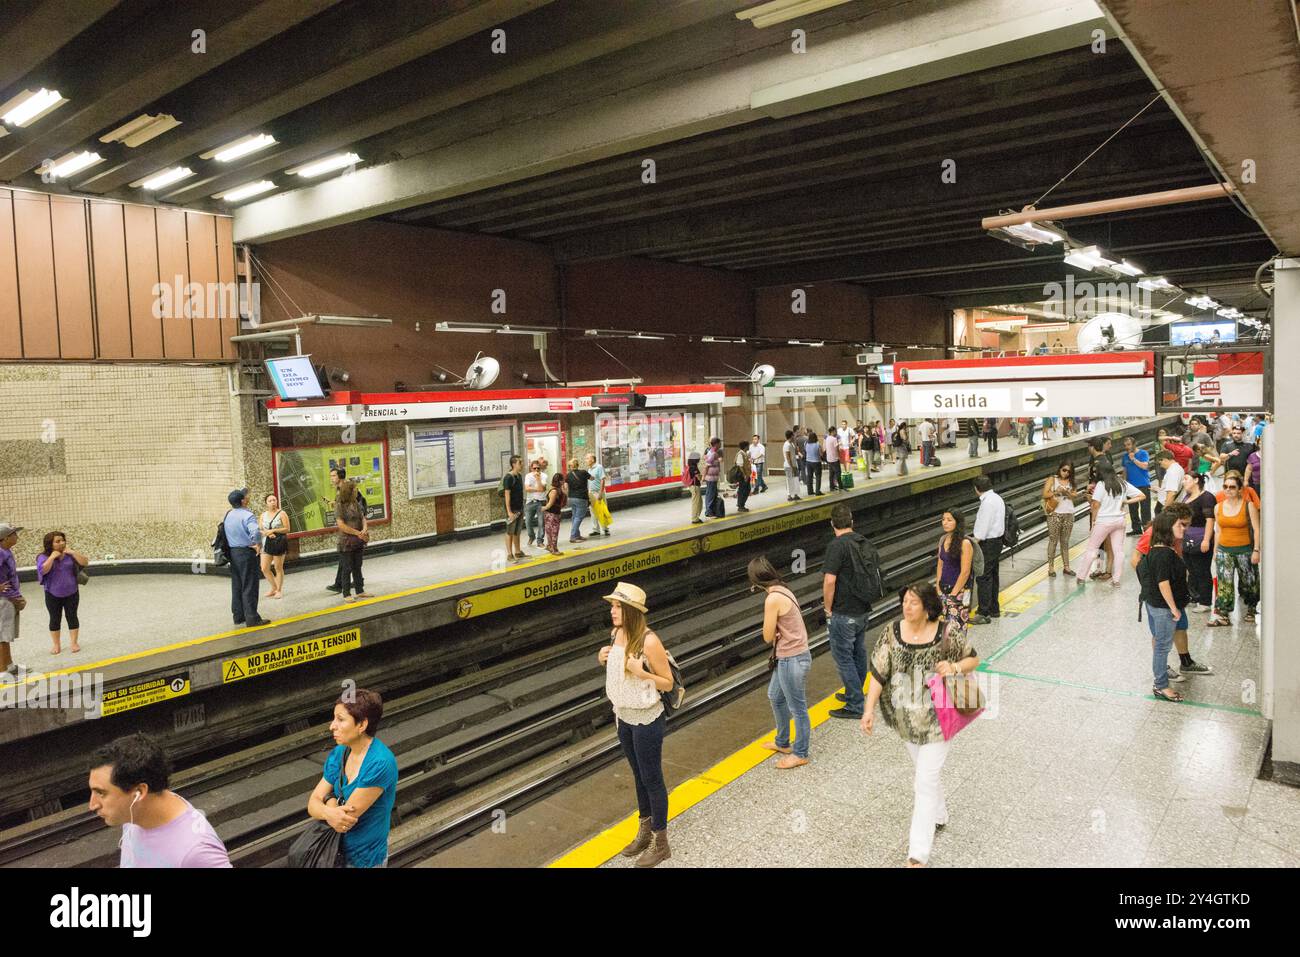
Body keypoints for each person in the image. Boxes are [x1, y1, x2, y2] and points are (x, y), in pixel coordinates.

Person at [862, 583, 980, 867]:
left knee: (924, 781)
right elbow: (879, 672)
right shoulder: (892, 632)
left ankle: (918, 854)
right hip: (904, 718)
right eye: (904, 601)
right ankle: (939, 815)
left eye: (913, 602)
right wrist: (868, 710)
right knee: (925, 774)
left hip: (938, 717)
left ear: (927, 608)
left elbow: (973, 658)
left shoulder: (946, 633)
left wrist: (953, 668)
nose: (907, 606)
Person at [597, 582, 673, 867]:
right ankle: (644, 830)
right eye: (613, 606)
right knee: (638, 776)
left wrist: (642, 673)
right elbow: (617, 670)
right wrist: (602, 657)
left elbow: (667, 682)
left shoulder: (649, 641)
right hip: (623, 716)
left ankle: (661, 842)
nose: (612, 611)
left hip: (646, 719)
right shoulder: (616, 634)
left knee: (652, 778)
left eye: (617, 607)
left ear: (630, 611)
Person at [88, 733, 231, 867]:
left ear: (139, 792)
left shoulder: (197, 852)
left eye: (101, 793)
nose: (92, 805)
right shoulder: (133, 814)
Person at [308, 689, 399, 867]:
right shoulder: (340, 753)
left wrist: (327, 799)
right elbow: (312, 803)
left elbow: (343, 821)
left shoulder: (380, 763)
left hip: (364, 860)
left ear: (362, 725)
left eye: (340, 720)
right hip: (333, 854)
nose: (332, 726)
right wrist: (330, 810)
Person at [1130, 503, 1212, 680]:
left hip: (1175, 594)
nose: (1186, 528)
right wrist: (1150, 584)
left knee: (1181, 626)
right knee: (1160, 634)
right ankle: (1163, 669)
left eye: (1188, 524)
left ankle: (1186, 662)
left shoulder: (1176, 534)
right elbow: (1135, 560)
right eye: (1183, 524)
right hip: (1159, 596)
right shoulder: (1153, 534)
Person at [751, 556, 811, 769]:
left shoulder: (772, 599)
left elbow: (767, 636)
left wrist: (772, 630)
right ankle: (782, 741)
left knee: (798, 707)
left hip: (791, 658)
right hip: (792, 656)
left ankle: (801, 753)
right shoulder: (783, 589)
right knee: (775, 696)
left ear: (755, 582)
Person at [823, 504, 874, 719]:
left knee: (844, 657)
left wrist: (828, 609)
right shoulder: (862, 541)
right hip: (862, 609)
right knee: (858, 652)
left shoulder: (836, 546)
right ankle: (856, 691)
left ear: (832, 523)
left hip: (844, 612)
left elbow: (829, 580)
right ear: (852, 521)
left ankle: (855, 704)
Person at [1138, 512, 1191, 702]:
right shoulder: (1164, 554)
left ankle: (1161, 680)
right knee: (1162, 646)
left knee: (1160, 642)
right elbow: (1163, 583)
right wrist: (1174, 608)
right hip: (1163, 608)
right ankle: (1160, 685)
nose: (1183, 528)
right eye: (1179, 525)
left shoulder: (1155, 550)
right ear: (1168, 528)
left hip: (1153, 603)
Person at [1077, 468, 1145, 587]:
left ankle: (1081, 577)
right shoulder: (1122, 483)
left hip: (1104, 521)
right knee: (1118, 550)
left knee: (1092, 549)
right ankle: (1116, 580)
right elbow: (1142, 495)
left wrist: (1093, 522)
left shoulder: (1101, 484)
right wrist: (1126, 502)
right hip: (1119, 521)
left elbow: (1096, 504)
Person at [1208, 472, 1260, 627]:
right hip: (1224, 550)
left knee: (1249, 582)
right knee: (1224, 583)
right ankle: (1223, 614)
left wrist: (1256, 550)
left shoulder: (1248, 505)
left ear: (1239, 489)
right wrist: (1215, 551)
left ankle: (1252, 607)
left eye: (1232, 487)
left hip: (1245, 550)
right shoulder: (1218, 507)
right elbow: (1218, 531)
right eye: (1225, 486)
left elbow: (1257, 529)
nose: (1228, 489)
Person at [38, 531, 87, 654]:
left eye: (62, 540)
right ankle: (56, 645)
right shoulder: (43, 557)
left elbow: (85, 562)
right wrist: (52, 557)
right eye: (57, 541)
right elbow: (43, 570)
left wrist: (73, 553)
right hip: (52, 593)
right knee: (55, 618)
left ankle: (74, 642)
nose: (61, 543)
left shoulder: (70, 555)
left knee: (72, 616)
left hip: (72, 592)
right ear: (50, 544)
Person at [224, 489, 268, 627]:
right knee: (250, 585)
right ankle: (252, 618)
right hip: (246, 553)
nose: (248, 498)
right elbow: (255, 531)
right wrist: (257, 543)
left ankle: (238, 616)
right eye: (246, 497)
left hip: (233, 553)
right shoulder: (247, 515)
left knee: (237, 584)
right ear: (242, 500)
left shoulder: (228, 515)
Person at [1177, 473, 1218, 611]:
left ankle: (1205, 601)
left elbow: (1210, 520)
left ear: (1196, 480)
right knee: (1191, 569)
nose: (1183, 482)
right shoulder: (1187, 497)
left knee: (1202, 570)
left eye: (1186, 478)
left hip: (1201, 538)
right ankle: (1194, 596)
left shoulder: (1207, 497)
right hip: (1187, 539)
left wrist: (1206, 540)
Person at [968, 475, 1006, 623]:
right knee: (993, 575)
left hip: (988, 544)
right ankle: (994, 609)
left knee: (983, 577)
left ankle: (983, 612)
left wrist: (973, 542)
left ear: (977, 489)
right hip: (997, 542)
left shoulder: (987, 503)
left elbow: (983, 528)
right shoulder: (997, 498)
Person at [324, 467, 367, 594]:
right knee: (348, 562)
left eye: (333, 476)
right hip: (350, 534)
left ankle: (343, 584)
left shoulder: (348, 488)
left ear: (340, 476)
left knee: (350, 563)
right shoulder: (341, 492)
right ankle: (343, 584)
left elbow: (359, 509)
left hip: (353, 532)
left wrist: (361, 529)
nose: (331, 478)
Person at [934, 510, 974, 632]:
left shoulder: (965, 543)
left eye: (949, 520)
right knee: (943, 630)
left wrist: (954, 594)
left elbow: (965, 571)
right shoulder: (943, 540)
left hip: (958, 592)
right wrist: (938, 587)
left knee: (957, 628)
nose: (945, 523)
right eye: (943, 519)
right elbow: (940, 564)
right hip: (943, 589)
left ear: (958, 522)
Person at [1042, 460, 1082, 577]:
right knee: (1053, 540)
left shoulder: (1071, 482)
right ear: (1059, 469)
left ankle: (1066, 567)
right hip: (1055, 514)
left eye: (1068, 472)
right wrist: (1056, 492)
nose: (1066, 473)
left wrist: (1067, 493)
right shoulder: (1052, 479)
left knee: (1065, 541)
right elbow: (1044, 494)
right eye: (1064, 470)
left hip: (1068, 513)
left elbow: (1074, 496)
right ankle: (1051, 567)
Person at [335, 479, 372, 601]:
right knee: (347, 567)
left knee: (357, 565)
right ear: (349, 491)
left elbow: (362, 517)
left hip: (358, 540)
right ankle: (346, 594)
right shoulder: (340, 504)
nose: (356, 490)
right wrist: (357, 533)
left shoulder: (355, 502)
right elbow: (341, 525)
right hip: (346, 542)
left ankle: (359, 590)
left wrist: (364, 529)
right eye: (354, 489)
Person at [0, 523, 28, 681]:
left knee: (7, 634)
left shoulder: (6, 551)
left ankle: (9, 666)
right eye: (13, 534)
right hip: (3, 600)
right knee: (2, 635)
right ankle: (2, 671)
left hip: (9, 598)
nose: (16, 536)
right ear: (4, 539)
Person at [259, 493, 289, 599]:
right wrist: (267, 533)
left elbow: (287, 529)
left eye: (274, 500)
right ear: (266, 503)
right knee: (264, 568)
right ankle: (273, 587)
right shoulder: (263, 515)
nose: (273, 502)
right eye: (270, 501)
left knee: (278, 567)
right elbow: (261, 529)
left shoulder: (282, 513)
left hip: (279, 542)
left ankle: (279, 590)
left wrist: (274, 530)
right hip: (267, 542)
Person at [1120, 436, 1152, 535]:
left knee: (1145, 509)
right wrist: (1124, 484)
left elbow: (1145, 466)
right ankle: (1136, 529)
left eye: (1129, 445)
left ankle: (1147, 530)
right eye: (1125, 445)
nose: (1127, 447)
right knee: (1133, 509)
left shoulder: (1143, 453)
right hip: (1131, 486)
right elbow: (1125, 470)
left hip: (1143, 484)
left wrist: (1133, 459)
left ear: (1134, 444)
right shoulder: (1125, 456)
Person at [500, 455, 528, 560]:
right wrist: (509, 512)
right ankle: (509, 554)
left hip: (519, 507)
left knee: (517, 531)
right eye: (519, 462)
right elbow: (507, 495)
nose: (522, 464)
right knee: (510, 531)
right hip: (512, 509)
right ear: (513, 464)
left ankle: (517, 551)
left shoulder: (519, 476)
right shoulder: (508, 477)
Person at [585, 452, 611, 537]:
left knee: (602, 510)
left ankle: (605, 528)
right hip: (591, 492)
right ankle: (595, 529)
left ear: (592, 459)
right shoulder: (589, 469)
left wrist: (600, 492)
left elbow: (602, 480)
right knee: (593, 511)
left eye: (587, 458)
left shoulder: (599, 467)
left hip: (598, 492)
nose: (586, 460)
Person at [566, 457, 591, 542]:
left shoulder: (568, 475)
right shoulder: (583, 472)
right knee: (578, 517)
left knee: (574, 517)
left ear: (570, 466)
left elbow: (566, 487)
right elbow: (592, 478)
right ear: (578, 464)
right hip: (581, 498)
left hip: (571, 498)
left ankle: (577, 535)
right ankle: (573, 536)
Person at [524, 459, 548, 547]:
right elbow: (527, 488)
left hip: (541, 501)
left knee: (541, 522)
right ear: (531, 468)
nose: (536, 470)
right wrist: (538, 489)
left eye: (538, 468)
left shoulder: (544, 476)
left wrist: (538, 479)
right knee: (527, 522)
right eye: (534, 468)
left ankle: (540, 541)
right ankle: (531, 536)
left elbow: (543, 488)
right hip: (530, 501)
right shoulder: (528, 476)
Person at [1154, 449, 1185, 514]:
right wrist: (1160, 490)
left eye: (1160, 463)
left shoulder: (1172, 472)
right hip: (1173, 504)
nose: (1160, 466)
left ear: (1165, 459)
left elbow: (1171, 493)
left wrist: (1165, 510)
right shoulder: (1178, 468)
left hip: (1166, 505)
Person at [543, 472, 567, 554]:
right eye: (562, 480)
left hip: (554, 514)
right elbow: (550, 504)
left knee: (550, 531)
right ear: (559, 481)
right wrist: (543, 508)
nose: (564, 482)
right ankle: (554, 549)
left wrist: (564, 492)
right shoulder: (554, 491)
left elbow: (563, 504)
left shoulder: (558, 490)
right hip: (552, 514)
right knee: (554, 532)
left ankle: (550, 546)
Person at [703, 438, 722, 519]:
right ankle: (709, 512)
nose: (720, 445)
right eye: (719, 443)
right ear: (716, 444)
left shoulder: (714, 453)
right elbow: (706, 466)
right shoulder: (712, 453)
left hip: (713, 478)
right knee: (710, 495)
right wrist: (703, 477)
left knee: (712, 494)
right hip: (711, 478)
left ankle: (711, 511)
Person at [782, 430, 802, 502]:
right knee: (789, 480)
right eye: (793, 435)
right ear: (791, 436)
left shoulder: (792, 444)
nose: (794, 436)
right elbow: (788, 457)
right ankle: (789, 495)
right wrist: (792, 467)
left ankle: (796, 494)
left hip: (794, 464)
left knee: (796, 480)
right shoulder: (786, 445)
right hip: (789, 466)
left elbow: (795, 452)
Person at [734, 441, 752, 511]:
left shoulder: (745, 454)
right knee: (743, 490)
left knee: (747, 489)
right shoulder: (740, 454)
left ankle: (741, 504)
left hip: (746, 475)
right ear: (745, 447)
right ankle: (740, 505)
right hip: (743, 476)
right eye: (748, 446)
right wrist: (744, 475)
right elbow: (740, 466)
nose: (749, 447)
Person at [805, 431, 824, 496]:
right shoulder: (817, 444)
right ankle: (817, 491)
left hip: (808, 462)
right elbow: (821, 454)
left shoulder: (806, 444)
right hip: (816, 462)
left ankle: (810, 491)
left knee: (809, 476)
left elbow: (806, 451)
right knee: (818, 477)